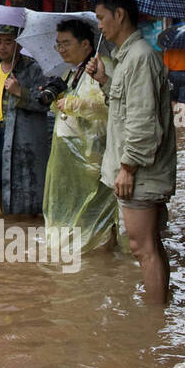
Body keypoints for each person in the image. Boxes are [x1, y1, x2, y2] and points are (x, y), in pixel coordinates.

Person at [88, 0, 176, 305]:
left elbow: (143, 122)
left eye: (101, 18)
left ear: (120, 15)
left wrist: (127, 168)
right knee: (150, 244)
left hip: (140, 173)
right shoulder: (129, 58)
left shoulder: (139, 57)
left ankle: (154, 323)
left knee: (142, 248)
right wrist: (104, 80)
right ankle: (163, 309)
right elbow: (129, 106)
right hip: (139, 171)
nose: (99, 26)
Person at [42, 18, 118, 254]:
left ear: (86, 44)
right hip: (71, 157)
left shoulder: (102, 67)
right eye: (58, 44)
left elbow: (109, 107)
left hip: (94, 155)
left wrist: (75, 104)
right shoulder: (71, 73)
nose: (61, 49)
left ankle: (103, 259)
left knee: (99, 213)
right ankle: (81, 254)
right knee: (77, 211)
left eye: (66, 43)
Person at [0, 24, 52, 217]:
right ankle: (7, 222)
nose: (2, 47)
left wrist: (19, 92)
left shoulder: (33, 69)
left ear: (19, 44)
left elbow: (45, 103)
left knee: (25, 183)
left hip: (23, 138)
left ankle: (25, 223)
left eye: (8, 42)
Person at [162, 44, 185, 128]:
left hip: (172, 76)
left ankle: (174, 121)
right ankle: (182, 122)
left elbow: (166, 67)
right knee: (183, 101)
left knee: (173, 99)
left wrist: (164, 79)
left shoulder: (169, 51)